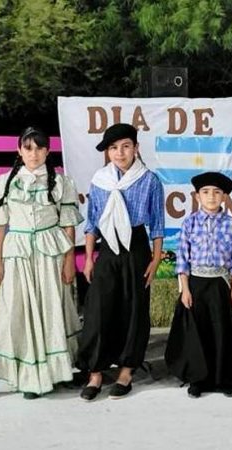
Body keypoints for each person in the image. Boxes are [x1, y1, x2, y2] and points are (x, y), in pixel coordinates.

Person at [0, 127, 83, 402]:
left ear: (47, 151)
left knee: (51, 310)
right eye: (28, 148)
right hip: (17, 253)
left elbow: (68, 226)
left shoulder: (61, 182)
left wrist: (68, 263)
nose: (34, 153)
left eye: (40, 148)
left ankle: (44, 376)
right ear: (19, 151)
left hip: (50, 252)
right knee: (12, 311)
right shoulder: (5, 182)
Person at [77, 123, 164, 401]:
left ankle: (127, 370)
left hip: (136, 247)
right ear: (108, 153)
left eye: (126, 146)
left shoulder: (149, 180)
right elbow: (91, 222)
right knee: (98, 309)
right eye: (113, 148)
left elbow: (158, 225)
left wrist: (156, 259)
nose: (120, 152)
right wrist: (90, 258)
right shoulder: (100, 180)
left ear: (136, 148)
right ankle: (96, 372)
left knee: (134, 308)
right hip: (108, 248)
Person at [164, 172, 232, 398]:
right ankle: (198, 380)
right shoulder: (189, 222)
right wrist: (185, 289)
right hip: (196, 284)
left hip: (220, 285)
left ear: (224, 197)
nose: (211, 196)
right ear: (197, 196)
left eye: (217, 192)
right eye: (206, 192)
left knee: (222, 332)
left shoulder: (230, 224)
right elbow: (182, 258)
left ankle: (224, 379)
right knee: (198, 334)